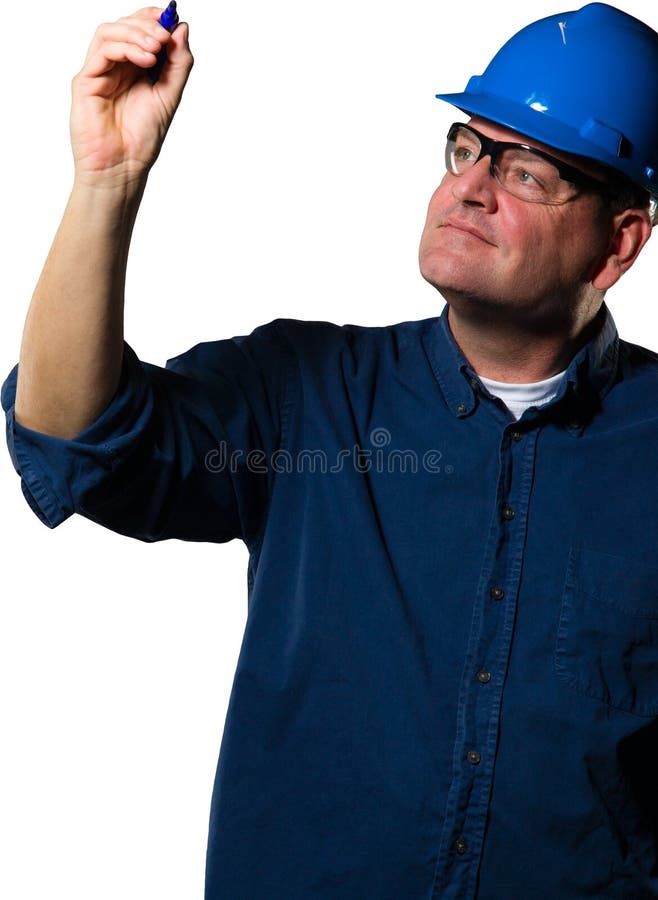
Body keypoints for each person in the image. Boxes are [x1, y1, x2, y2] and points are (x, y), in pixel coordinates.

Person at [3, 1, 658, 897]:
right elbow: (74, 436)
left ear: (619, 243)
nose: (472, 186)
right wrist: (106, 182)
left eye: (530, 172)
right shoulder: (306, 395)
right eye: (467, 148)